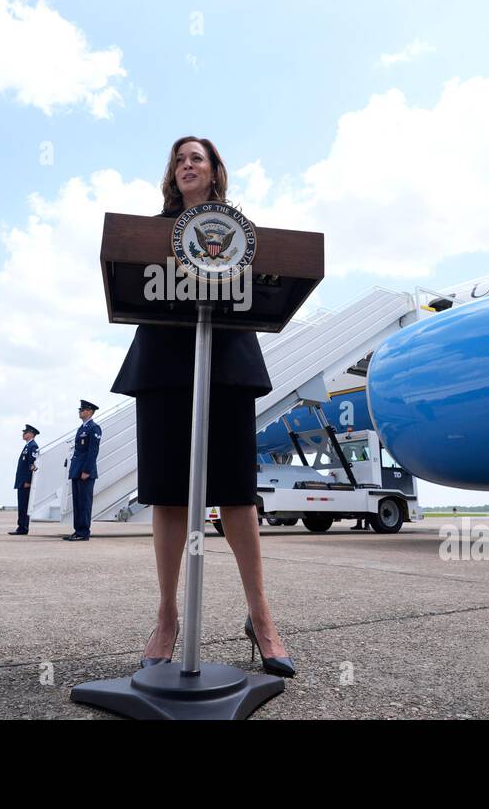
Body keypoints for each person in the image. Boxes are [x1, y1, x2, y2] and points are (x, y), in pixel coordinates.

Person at [110, 135, 294, 676]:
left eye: (198, 158)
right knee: (167, 496)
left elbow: (273, 279)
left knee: (236, 494)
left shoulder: (244, 232)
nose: (187, 164)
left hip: (227, 361)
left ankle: (261, 619)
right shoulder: (151, 233)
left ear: (215, 171)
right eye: (179, 159)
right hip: (165, 362)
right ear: (173, 174)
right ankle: (167, 617)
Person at [64, 401, 100, 541]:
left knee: (84, 503)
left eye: (83, 409)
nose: (80, 411)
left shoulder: (94, 428)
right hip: (76, 470)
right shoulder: (81, 428)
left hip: (85, 471)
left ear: (90, 412)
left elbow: (93, 451)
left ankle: (84, 532)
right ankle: (77, 530)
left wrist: (87, 470)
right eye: (80, 409)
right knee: (77, 503)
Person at [9, 425, 40, 535]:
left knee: (24, 505)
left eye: (26, 432)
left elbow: (32, 464)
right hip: (21, 481)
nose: (23, 434)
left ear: (31, 434)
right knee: (21, 505)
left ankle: (23, 527)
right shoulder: (27, 446)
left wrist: (28, 480)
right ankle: (21, 526)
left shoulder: (33, 446)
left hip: (25, 482)